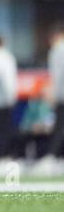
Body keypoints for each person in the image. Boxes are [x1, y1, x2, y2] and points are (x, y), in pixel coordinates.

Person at [45, 24, 64, 161]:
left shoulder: (58, 50)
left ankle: (53, 156)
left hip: (62, 95)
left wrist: (54, 94)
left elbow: (58, 75)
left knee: (59, 126)